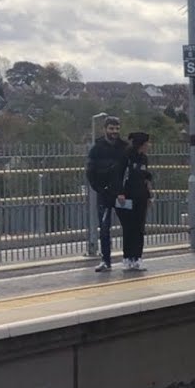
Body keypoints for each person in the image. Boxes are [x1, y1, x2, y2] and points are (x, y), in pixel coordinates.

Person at [85, 116, 127, 272]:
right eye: (111, 128)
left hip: (123, 194)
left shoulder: (124, 147)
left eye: (117, 128)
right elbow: (90, 171)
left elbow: (128, 171)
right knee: (104, 228)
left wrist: (124, 190)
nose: (114, 132)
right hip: (105, 194)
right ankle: (106, 260)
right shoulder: (97, 148)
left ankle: (130, 258)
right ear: (105, 129)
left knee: (129, 227)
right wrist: (100, 188)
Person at [115, 132, 153, 271]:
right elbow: (119, 176)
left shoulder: (144, 158)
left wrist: (149, 196)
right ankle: (127, 257)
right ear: (141, 144)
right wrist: (120, 193)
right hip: (127, 197)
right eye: (147, 143)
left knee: (139, 228)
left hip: (141, 197)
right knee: (128, 228)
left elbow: (145, 177)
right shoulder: (126, 157)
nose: (149, 145)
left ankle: (137, 258)